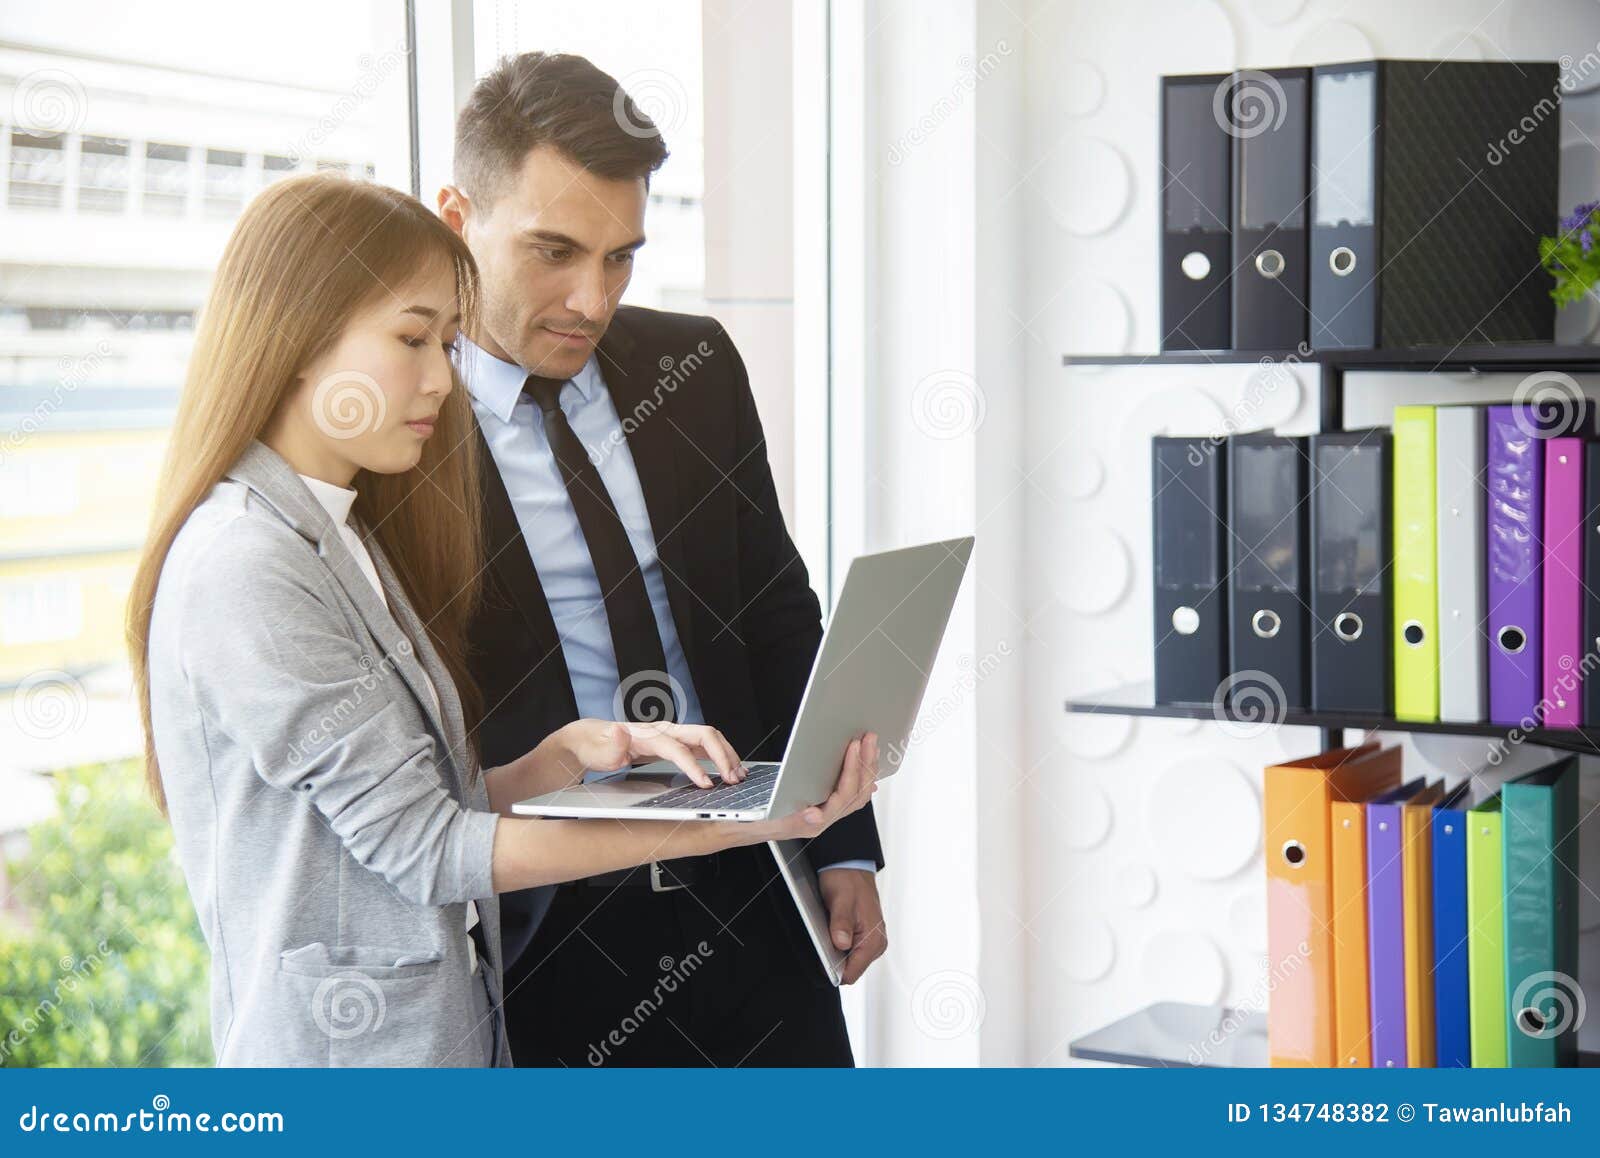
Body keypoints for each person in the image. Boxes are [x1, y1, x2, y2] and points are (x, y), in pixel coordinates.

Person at [126, 172, 878, 1067]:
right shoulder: (247, 562)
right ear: (296, 336)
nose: (443, 380)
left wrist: (562, 757)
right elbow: (426, 848)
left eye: (446, 342)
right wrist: (752, 821)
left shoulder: (338, 529)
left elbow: (408, 806)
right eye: (413, 339)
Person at [439, 51, 887, 1067]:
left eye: (620, 257)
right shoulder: (402, 435)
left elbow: (774, 611)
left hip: (754, 887)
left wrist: (843, 847)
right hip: (553, 927)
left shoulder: (692, 368)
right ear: (457, 215)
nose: (589, 301)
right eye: (552, 251)